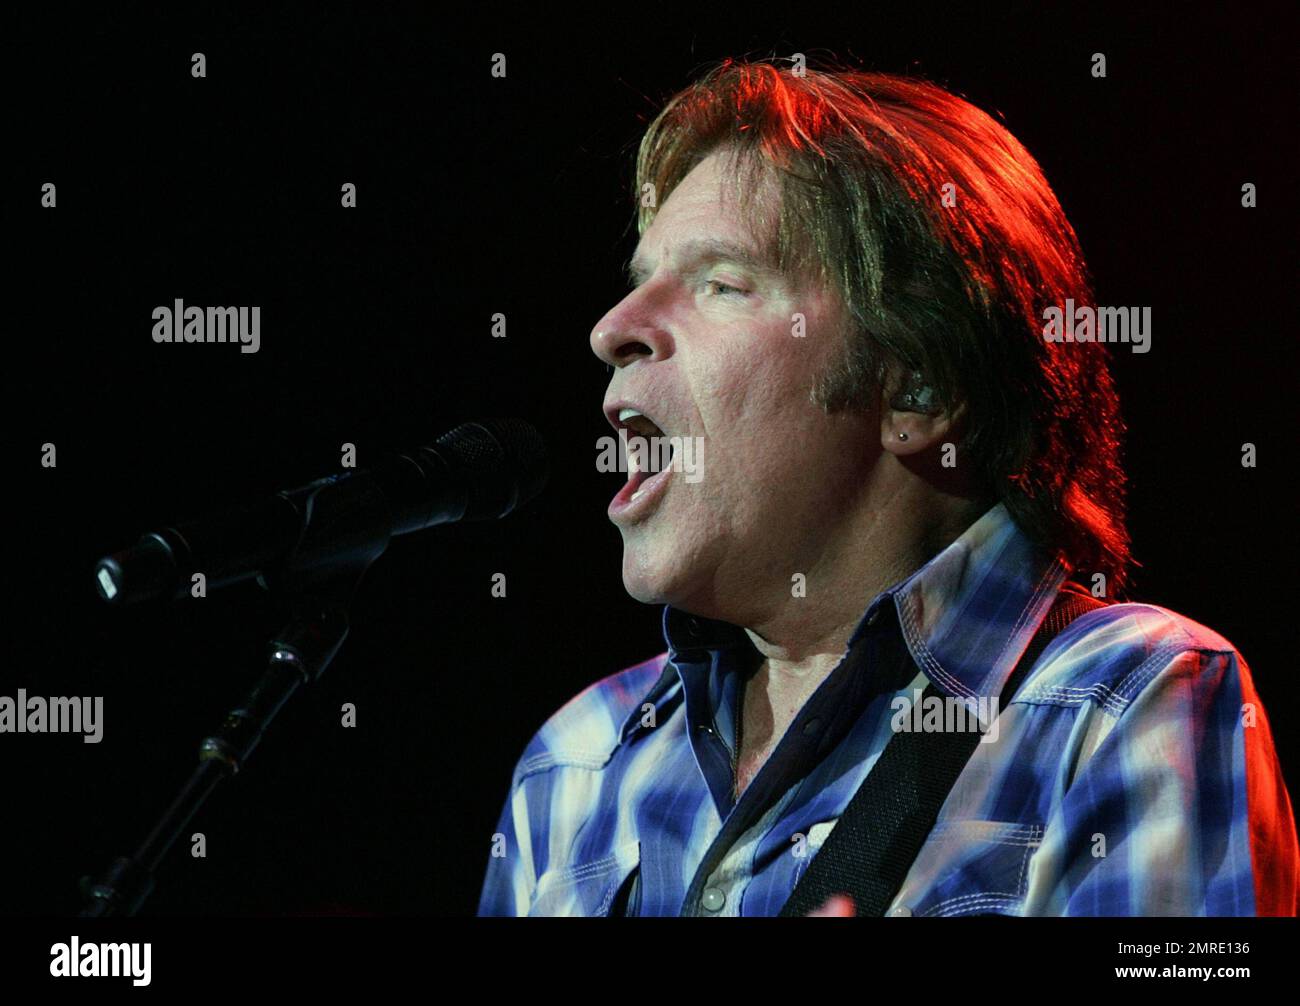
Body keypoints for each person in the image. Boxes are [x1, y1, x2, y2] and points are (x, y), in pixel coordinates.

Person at [476, 59, 1299, 916]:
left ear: (920, 390)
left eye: (721, 283)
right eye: (637, 282)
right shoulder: (575, 763)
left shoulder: (1124, 704)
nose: (613, 331)